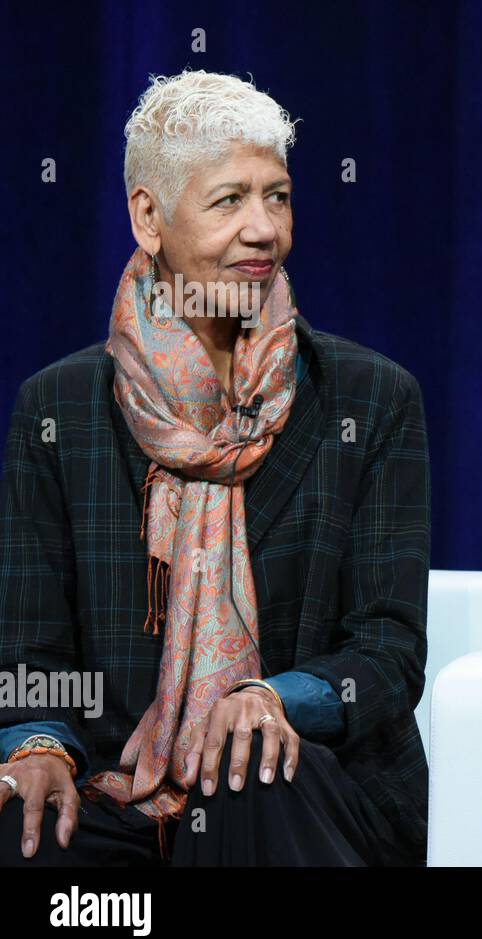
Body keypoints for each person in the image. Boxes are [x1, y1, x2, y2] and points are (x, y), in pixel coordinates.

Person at [0, 69, 431, 866]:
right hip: (118, 793)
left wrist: (274, 699)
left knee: (250, 773)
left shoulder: (370, 398)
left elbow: (388, 651)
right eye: (230, 201)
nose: (264, 229)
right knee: (21, 823)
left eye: (278, 198)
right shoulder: (57, 409)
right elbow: (30, 655)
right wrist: (37, 746)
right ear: (149, 217)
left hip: (310, 792)